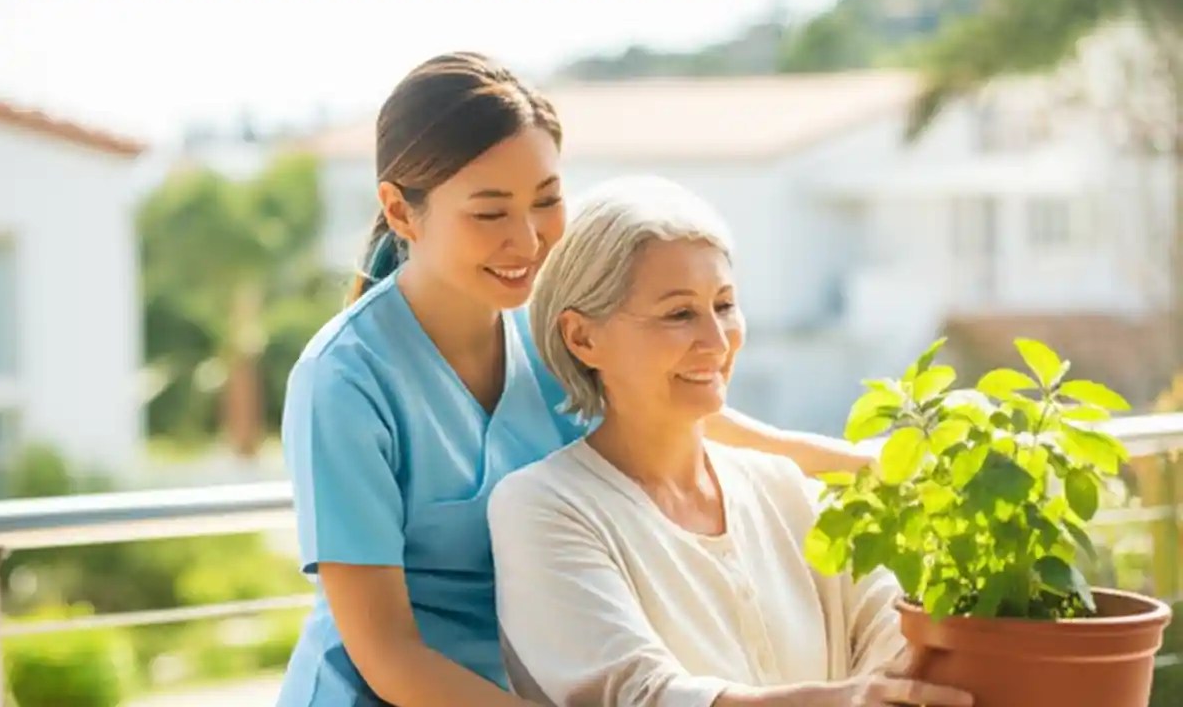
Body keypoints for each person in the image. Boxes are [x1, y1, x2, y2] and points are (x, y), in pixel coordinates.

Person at [278, 52, 873, 707]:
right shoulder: (342, 382)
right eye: (490, 213)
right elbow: (391, 655)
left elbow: (698, 422)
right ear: (399, 210)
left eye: (547, 200)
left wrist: (868, 465)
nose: (529, 239)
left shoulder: (547, 329)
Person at [488, 176, 975, 707]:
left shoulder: (785, 489)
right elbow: (639, 694)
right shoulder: (542, 507)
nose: (717, 342)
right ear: (582, 337)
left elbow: (892, 627)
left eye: (723, 305)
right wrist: (846, 699)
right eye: (679, 314)